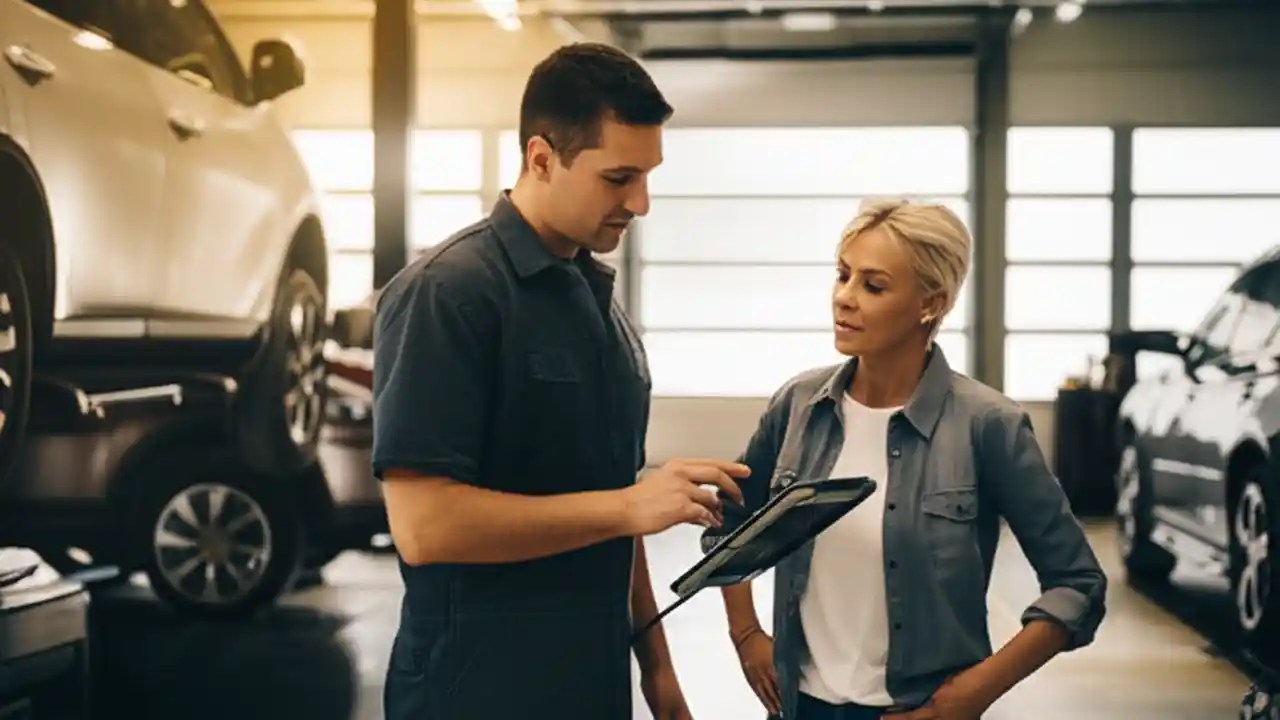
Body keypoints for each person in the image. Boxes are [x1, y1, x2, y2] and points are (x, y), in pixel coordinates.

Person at [371, 42, 750, 720]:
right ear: (541, 158)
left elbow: (620, 507)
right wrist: (628, 506)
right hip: (476, 695)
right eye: (618, 178)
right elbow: (425, 525)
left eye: (647, 176)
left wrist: (657, 670)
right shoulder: (448, 294)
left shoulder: (598, 305)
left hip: (591, 685)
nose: (641, 203)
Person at [704, 199, 1108, 720]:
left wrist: (975, 693)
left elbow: (1077, 585)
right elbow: (730, 521)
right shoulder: (798, 406)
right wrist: (745, 634)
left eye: (873, 286)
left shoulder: (989, 425)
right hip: (798, 707)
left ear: (930, 304)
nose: (844, 297)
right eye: (843, 275)